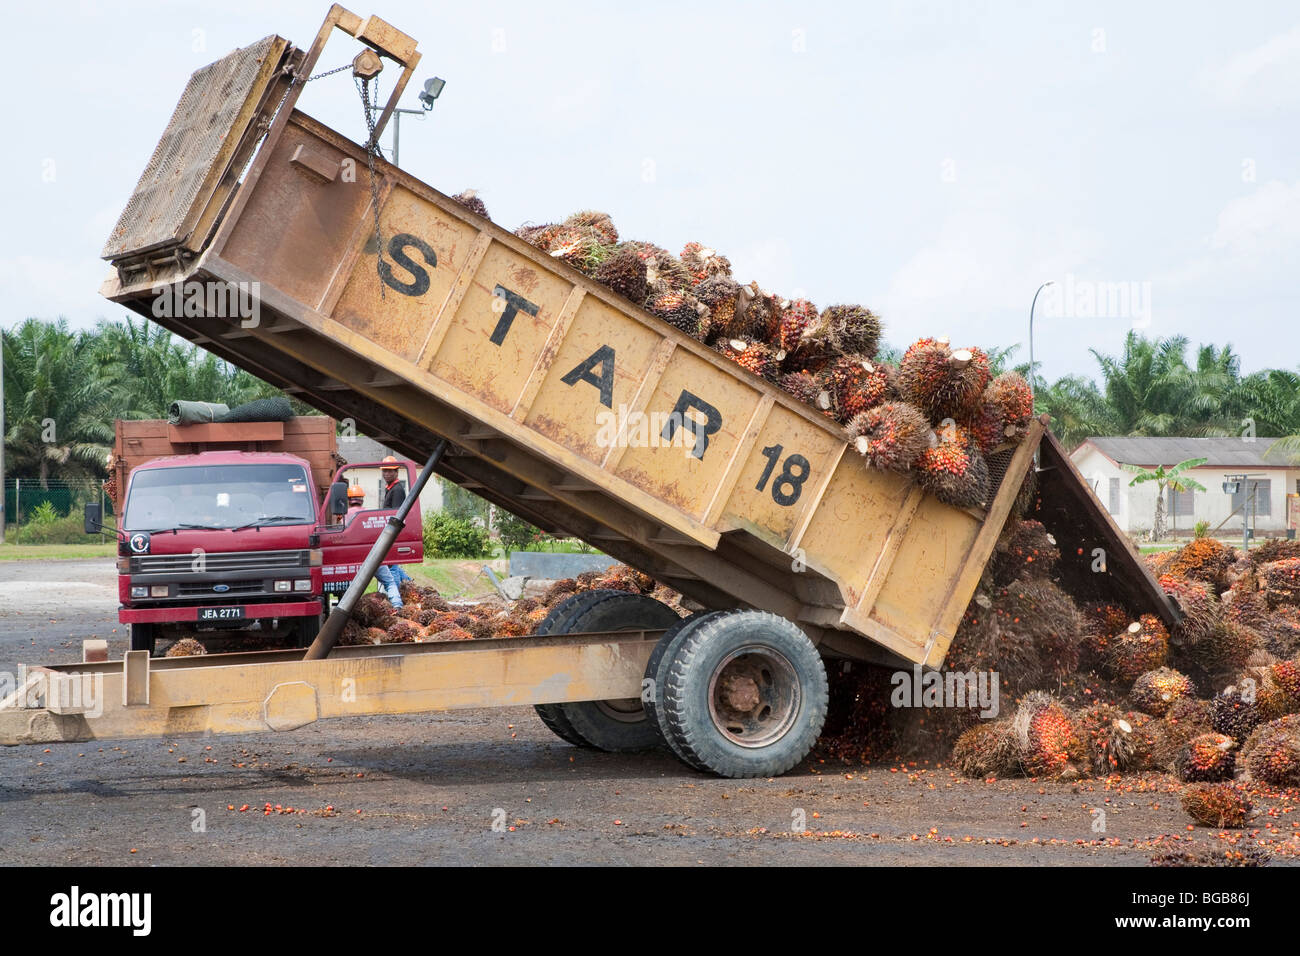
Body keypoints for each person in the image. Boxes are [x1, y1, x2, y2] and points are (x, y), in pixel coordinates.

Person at [378, 456, 414, 594]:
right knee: (393, 566)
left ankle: (399, 594)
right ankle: (411, 587)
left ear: (396, 472)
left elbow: (396, 515)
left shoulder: (397, 490)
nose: (387, 474)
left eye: (390, 471)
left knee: (392, 566)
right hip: (390, 533)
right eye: (385, 471)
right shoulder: (390, 489)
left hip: (393, 534)